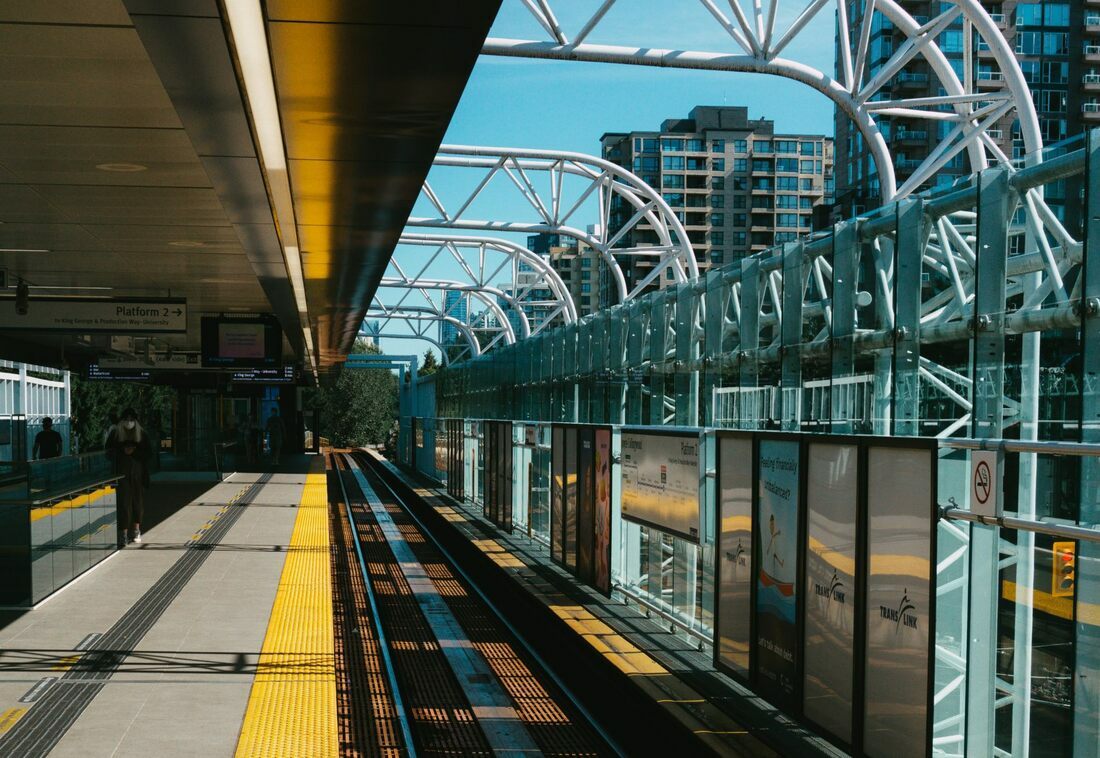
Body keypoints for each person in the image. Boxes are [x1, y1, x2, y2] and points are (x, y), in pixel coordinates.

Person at [107, 408, 151, 546]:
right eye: (126, 419)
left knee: (138, 504)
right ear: (122, 421)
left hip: (138, 474)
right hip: (122, 474)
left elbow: (148, 453)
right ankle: (123, 534)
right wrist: (122, 451)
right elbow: (108, 452)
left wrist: (135, 451)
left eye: (132, 420)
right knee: (123, 505)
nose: (129, 422)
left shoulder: (141, 434)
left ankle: (136, 530)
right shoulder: (115, 433)